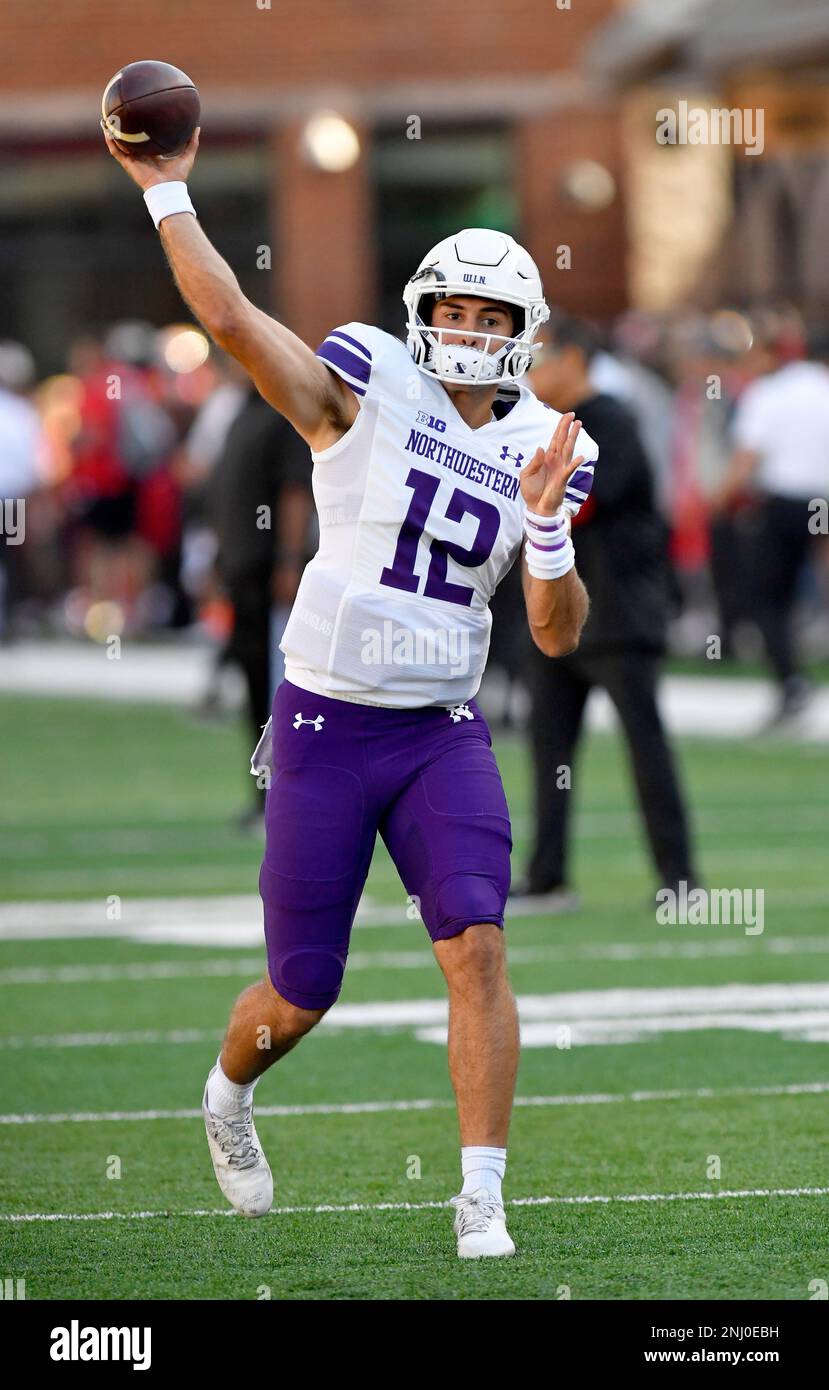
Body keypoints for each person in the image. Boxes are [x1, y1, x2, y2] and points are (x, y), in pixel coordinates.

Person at [104, 125, 599, 1259]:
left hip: (440, 730)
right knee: (302, 988)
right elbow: (230, 318)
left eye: (490, 318)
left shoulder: (548, 443)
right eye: (454, 312)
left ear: (523, 335)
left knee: (476, 942)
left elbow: (556, 636)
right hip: (325, 721)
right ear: (424, 312)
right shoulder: (363, 391)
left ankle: (481, 1195)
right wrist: (166, 191)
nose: (467, 334)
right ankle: (227, 1094)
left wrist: (543, 528)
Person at [518, 315, 697, 904]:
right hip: (557, 616)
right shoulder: (540, 427)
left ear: (574, 358)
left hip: (618, 612)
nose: (530, 372)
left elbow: (573, 507)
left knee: (646, 746)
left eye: (540, 358)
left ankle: (679, 879)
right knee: (548, 749)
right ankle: (548, 874)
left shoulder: (610, 421)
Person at [712, 327, 829, 724]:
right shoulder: (819, 387)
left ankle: (791, 682)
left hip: (783, 504)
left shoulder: (768, 394)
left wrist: (718, 500)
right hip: (822, 501)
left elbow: (748, 457)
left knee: (766, 598)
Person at [208, 384, 313, 825]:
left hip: (270, 573)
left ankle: (288, 796)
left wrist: (289, 561)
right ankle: (265, 793)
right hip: (242, 572)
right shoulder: (240, 410)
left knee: (280, 695)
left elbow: (294, 490)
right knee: (254, 690)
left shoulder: (282, 409)